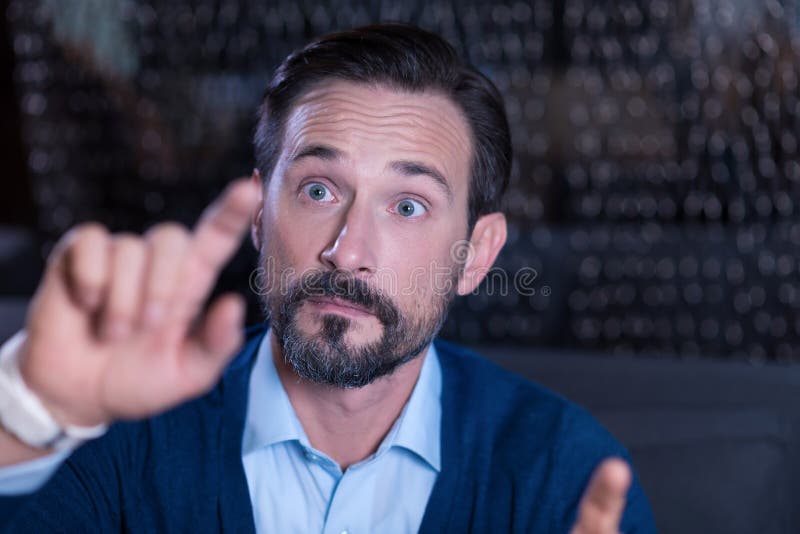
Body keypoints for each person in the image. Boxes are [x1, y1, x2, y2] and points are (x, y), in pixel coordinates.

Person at [0, 23, 655, 533]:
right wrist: (25, 417)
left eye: (407, 206)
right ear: (260, 213)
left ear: (476, 254)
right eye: (318, 189)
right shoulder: (110, 437)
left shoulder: (568, 478)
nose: (348, 252)